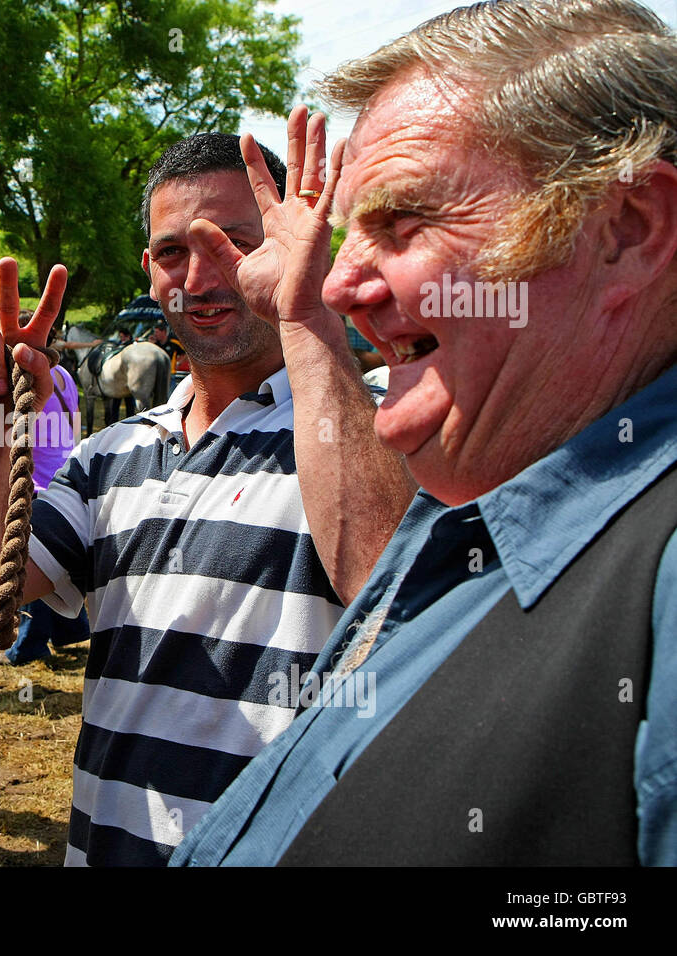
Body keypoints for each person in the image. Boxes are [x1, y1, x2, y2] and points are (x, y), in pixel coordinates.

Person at [173, 0, 677, 866]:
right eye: (348, 235)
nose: (340, 285)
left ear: (628, 232)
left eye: (404, 224)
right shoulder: (480, 512)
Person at [0, 124, 416, 864]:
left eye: (235, 242)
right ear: (148, 269)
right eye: (172, 252)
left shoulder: (383, 415)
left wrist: (305, 316)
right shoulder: (109, 457)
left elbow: (389, 585)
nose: (199, 278)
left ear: (297, 242)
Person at [0, 311, 90, 666]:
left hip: (36, 479)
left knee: (27, 562)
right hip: (65, 475)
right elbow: (72, 424)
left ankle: (26, 648)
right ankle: (70, 631)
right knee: (60, 560)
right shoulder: (64, 375)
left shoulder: (26, 378)